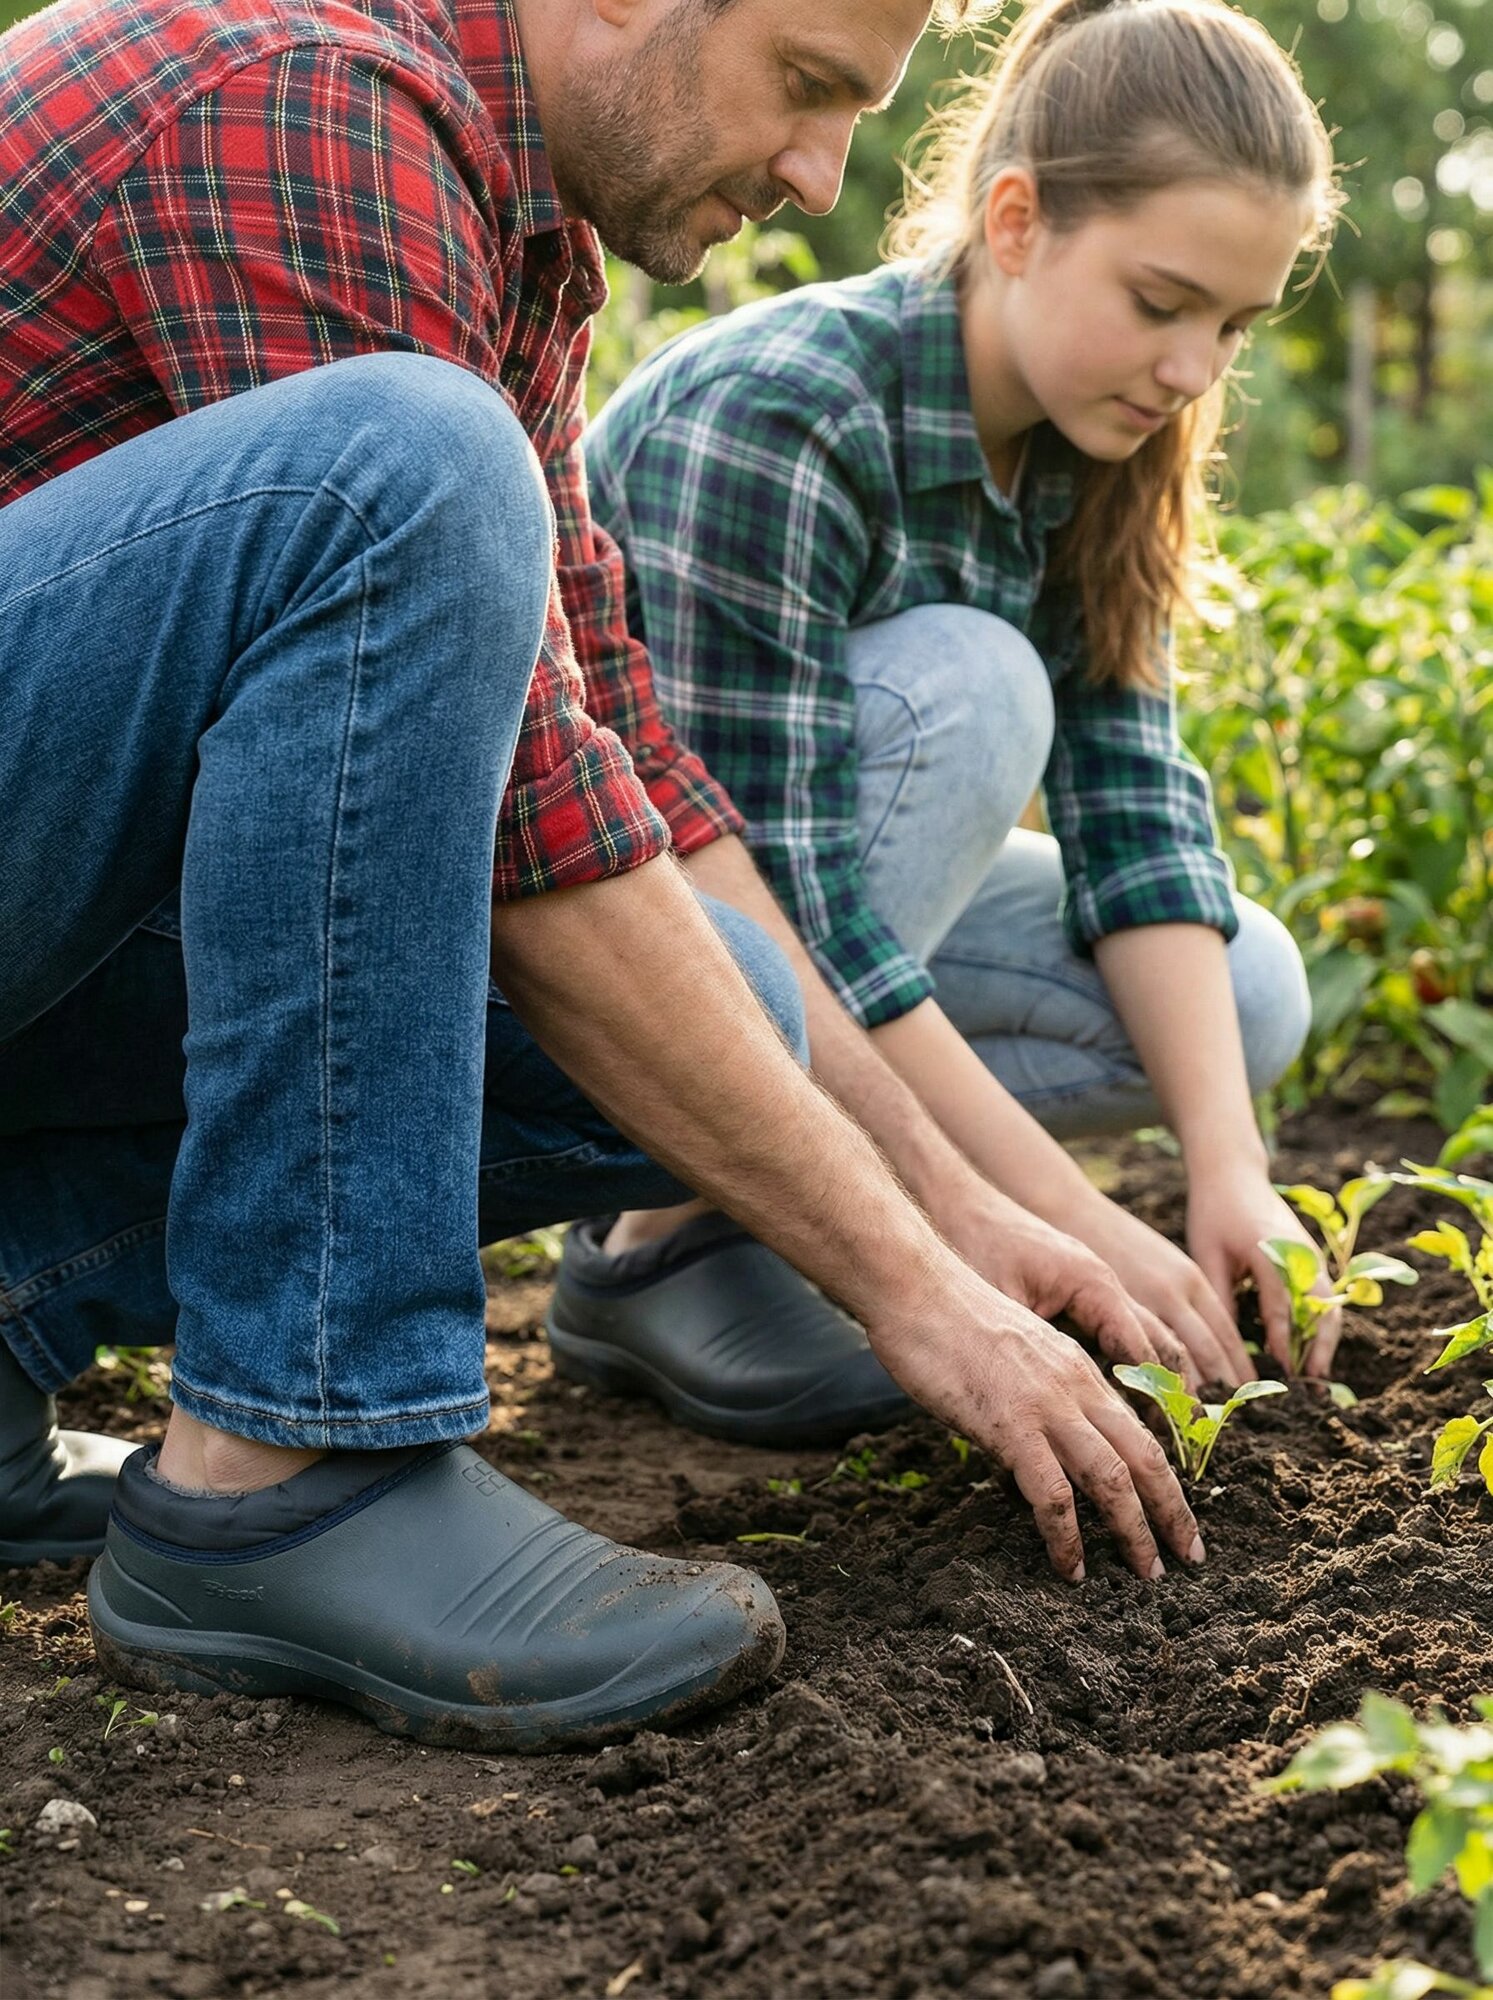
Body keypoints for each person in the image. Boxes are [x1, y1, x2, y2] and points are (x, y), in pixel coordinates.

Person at [0, 0, 1207, 1754]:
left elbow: (609, 765)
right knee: (394, 471)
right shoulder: (310, 95)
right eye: (804, 88)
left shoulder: (512, 213)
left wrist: (961, 1219)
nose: (821, 175)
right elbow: (534, 859)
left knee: (740, 991)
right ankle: (291, 1462)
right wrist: (908, 1291)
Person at [575, 0, 1344, 1414]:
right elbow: (779, 898)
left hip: (816, 939)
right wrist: (1075, 1221)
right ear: (1013, 222)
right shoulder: (783, 414)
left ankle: (804, 1214)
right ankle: (660, 1241)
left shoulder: (1091, 437)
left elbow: (1131, 803)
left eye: (1230, 327)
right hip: (622, 968)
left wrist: (1228, 1174)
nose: (1191, 372)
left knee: (1248, 995)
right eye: (1160, 303)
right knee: (974, 689)